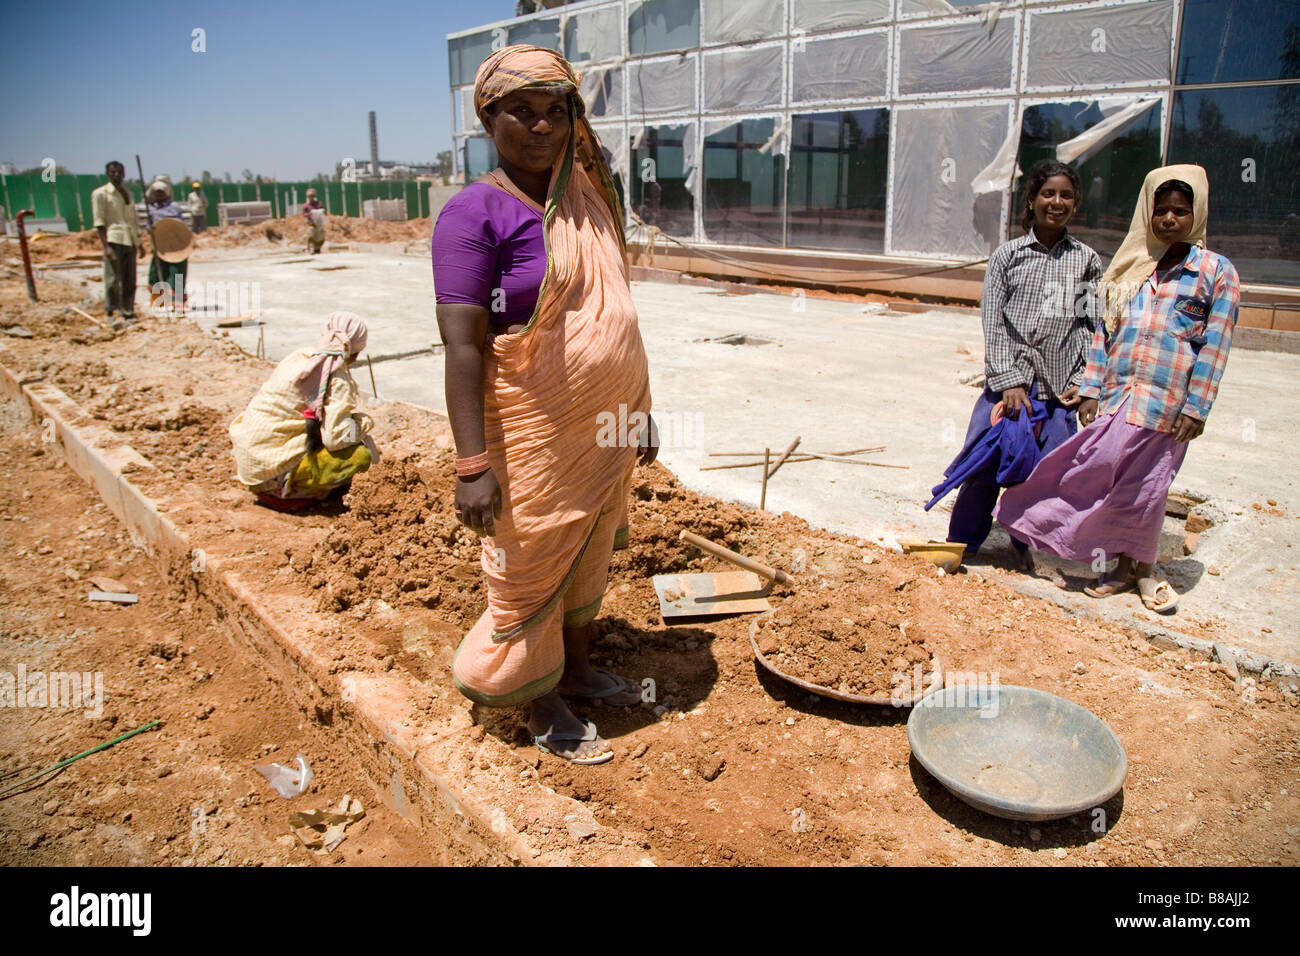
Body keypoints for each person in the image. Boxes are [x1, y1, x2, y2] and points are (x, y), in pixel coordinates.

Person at [432, 45, 656, 765]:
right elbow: (463, 347)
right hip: (528, 430)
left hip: (603, 422)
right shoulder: (473, 214)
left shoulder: (589, 199)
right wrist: (472, 463)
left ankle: (579, 667)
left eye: (553, 110)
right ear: (487, 118)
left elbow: (618, 310)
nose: (540, 126)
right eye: (519, 112)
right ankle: (536, 696)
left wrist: (640, 406)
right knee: (528, 562)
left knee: (589, 549)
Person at [996, 165, 1239, 613]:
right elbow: (1102, 335)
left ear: (1197, 213)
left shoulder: (1215, 272)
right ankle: (1042, 529)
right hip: (1115, 398)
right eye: (1160, 210)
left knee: (1149, 489)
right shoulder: (1131, 267)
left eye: (1180, 211)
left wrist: (1196, 407)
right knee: (1088, 470)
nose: (1169, 219)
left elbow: (1215, 346)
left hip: (1166, 406)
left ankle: (1138, 571)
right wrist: (1091, 388)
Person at [942, 160, 1102, 567]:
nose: (1057, 202)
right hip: (1008, 388)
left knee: (1046, 475)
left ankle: (1025, 546)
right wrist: (1010, 380)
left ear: (1076, 204)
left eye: (1066, 195)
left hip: (1056, 393)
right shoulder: (1007, 256)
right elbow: (992, 320)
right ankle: (962, 547)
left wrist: (1086, 383)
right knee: (983, 466)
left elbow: (1091, 325)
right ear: (1031, 201)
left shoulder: (1086, 261)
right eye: (1048, 193)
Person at [229, 312, 379, 511]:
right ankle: (296, 495)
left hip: (253, 463)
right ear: (358, 352)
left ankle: (293, 485)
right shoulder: (337, 378)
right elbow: (336, 438)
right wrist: (365, 422)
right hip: (270, 478)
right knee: (362, 454)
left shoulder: (300, 356)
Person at [90, 161, 143, 321]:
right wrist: (106, 247)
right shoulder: (101, 194)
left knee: (129, 280)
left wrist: (139, 244)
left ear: (124, 174)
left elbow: (132, 221)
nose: (116, 175)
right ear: (107, 174)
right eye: (113, 172)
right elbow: (99, 222)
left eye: (119, 172)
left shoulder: (128, 193)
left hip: (129, 240)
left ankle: (127, 310)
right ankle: (111, 311)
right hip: (113, 239)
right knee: (113, 279)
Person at [144, 180, 190, 311]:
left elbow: (181, 226)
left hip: (176, 245)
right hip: (160, 246)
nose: (159, 195)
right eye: (157, 192)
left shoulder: (175, 207)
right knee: (157, 272)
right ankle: (159, 300)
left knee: (177, 272)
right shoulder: (150, 209)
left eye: (162, 192)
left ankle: (179, 302)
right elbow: (148, 227)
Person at [303, 188, 326, 254]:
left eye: (312, 196)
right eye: (310, 196)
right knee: (311, 235)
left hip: (319, 223)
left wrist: (322, 212)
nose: (311, 198)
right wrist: (309, 214)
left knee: (319, 236)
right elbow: (304, 214)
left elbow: (324, 211)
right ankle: (311, 248)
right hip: (311, 223)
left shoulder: (318, 204)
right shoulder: (306, 206)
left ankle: (317, 249)